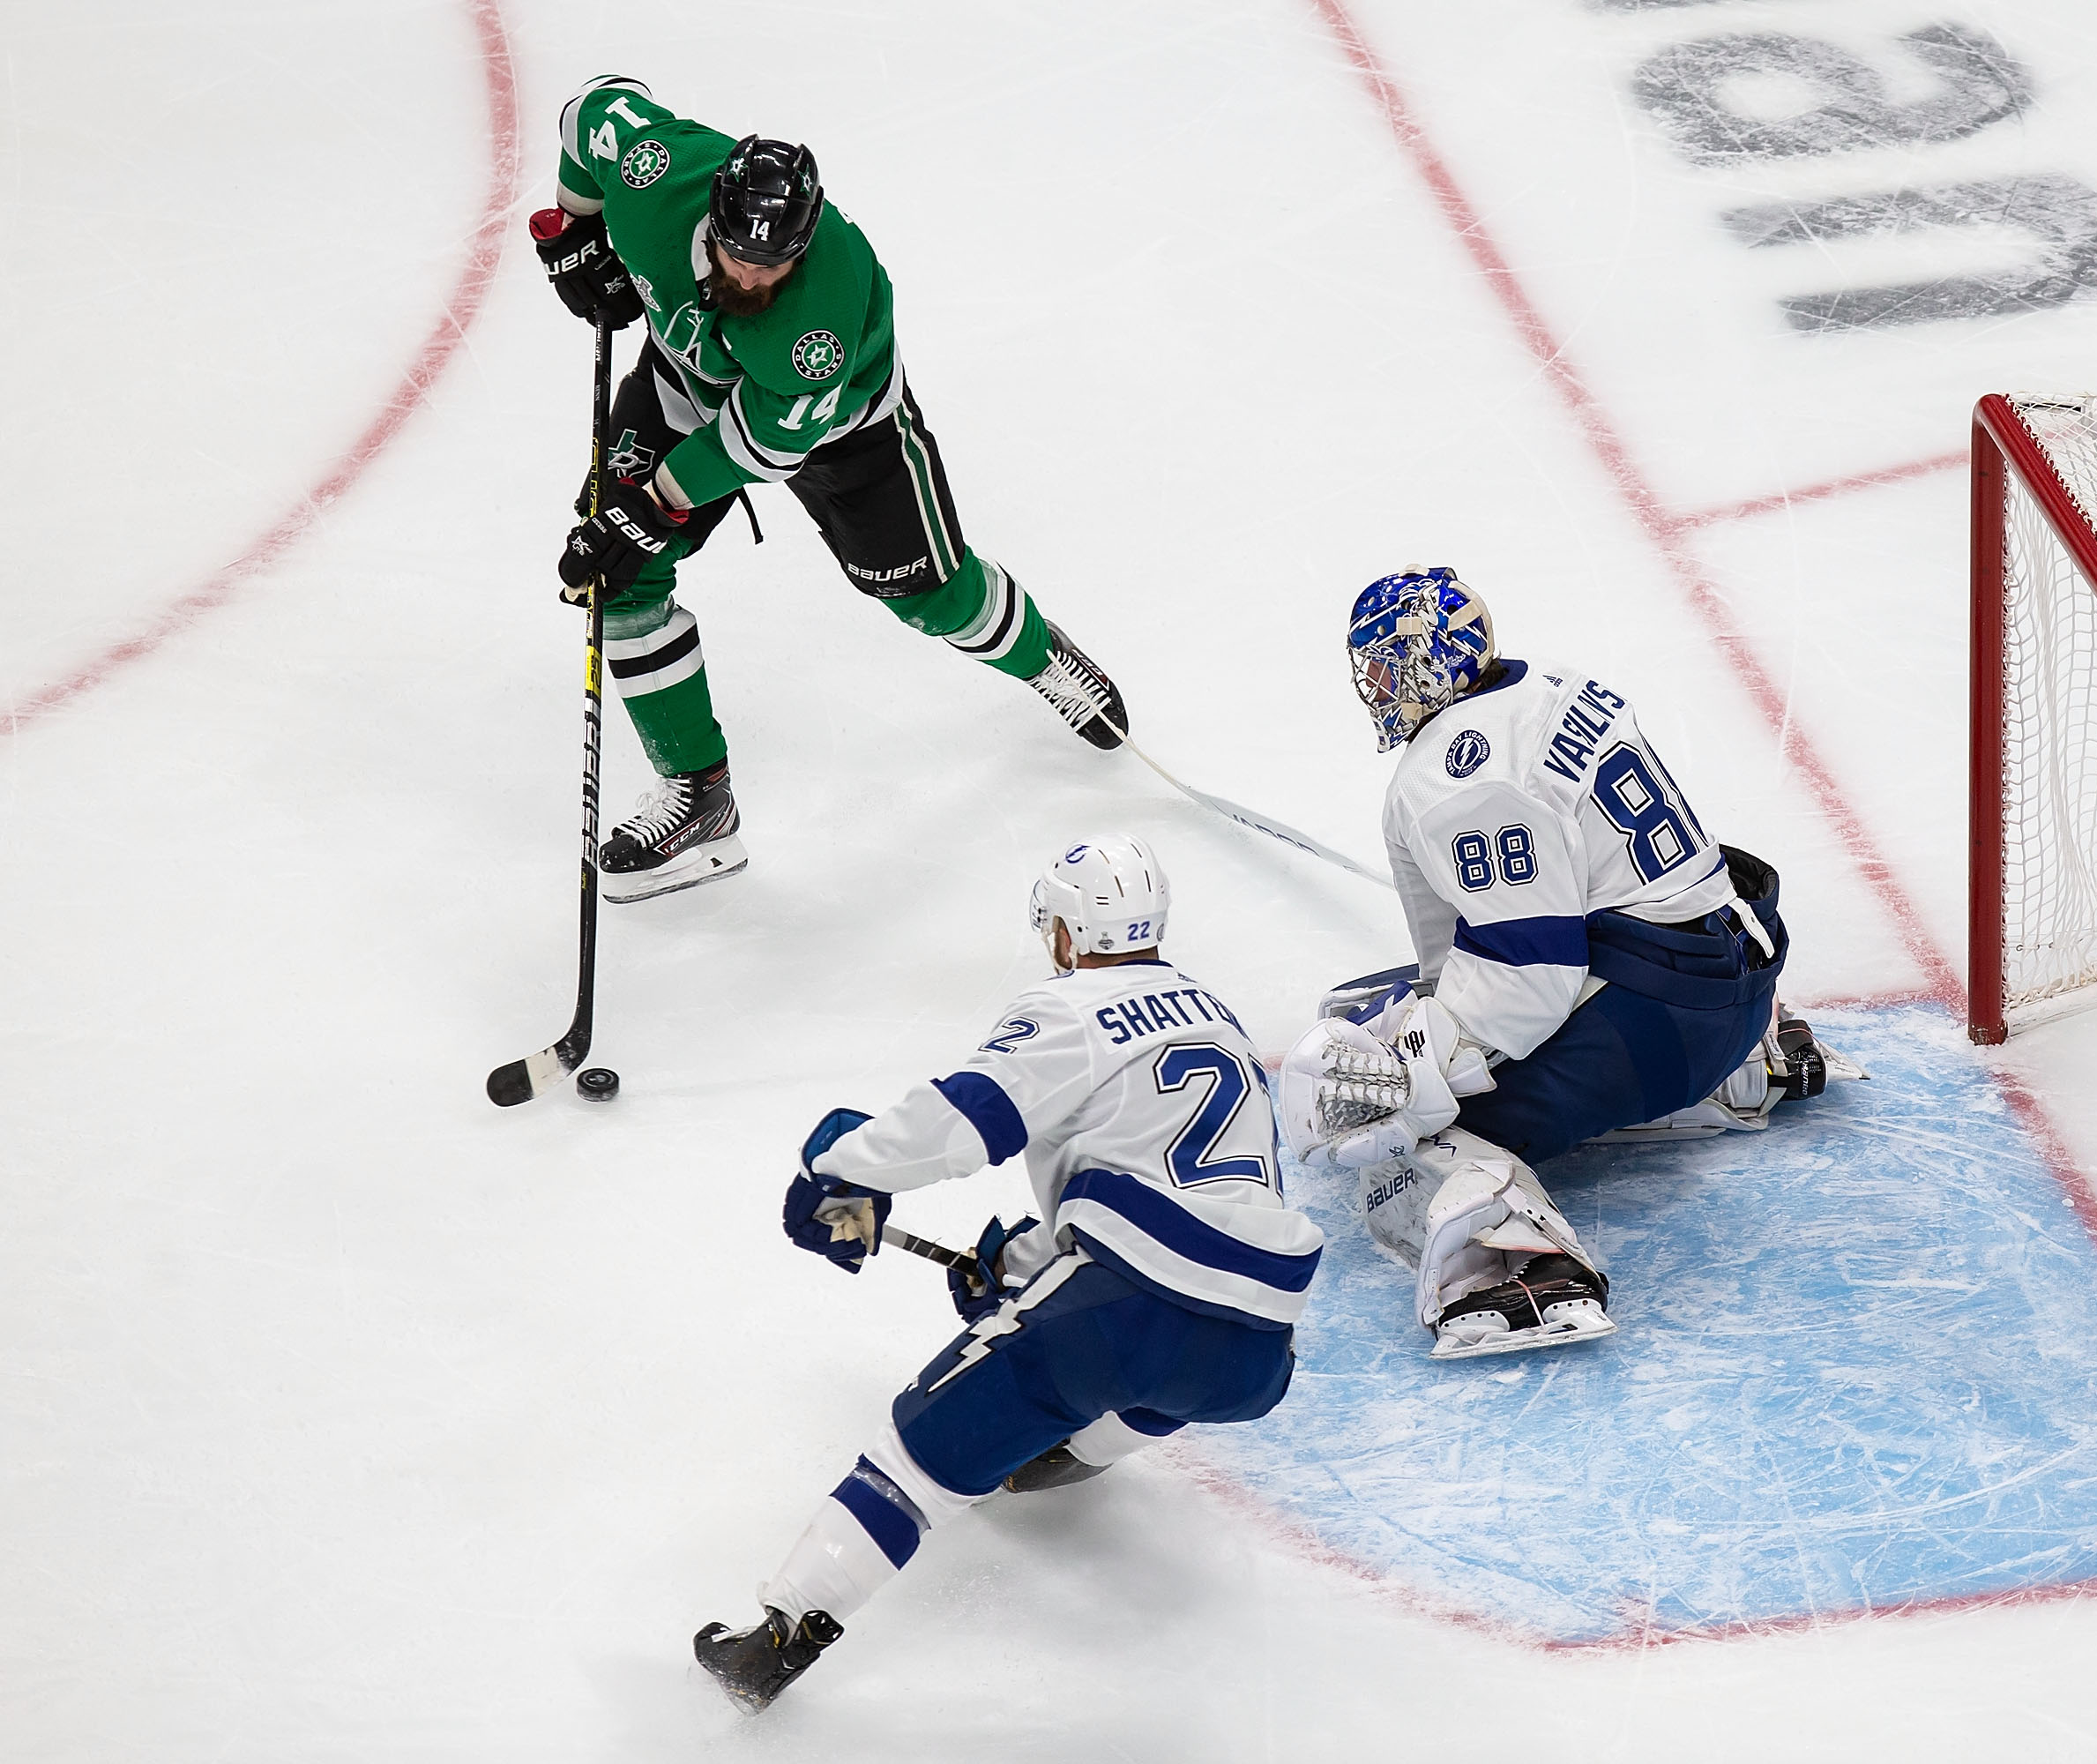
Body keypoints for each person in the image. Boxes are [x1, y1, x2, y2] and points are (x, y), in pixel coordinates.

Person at [695, 836, 1321, 1712]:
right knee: (1162, 1362)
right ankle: (1070, 1450)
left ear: (1067, 933)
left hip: (1127, 1307)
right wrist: (1020, 1267)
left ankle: (783, 1632)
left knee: (918, 1456)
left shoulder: (1074, 1008)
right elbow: (1193, 1203)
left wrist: (843, 1169)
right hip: (1262, 1340)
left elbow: (966, 1119)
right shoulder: (1217, 1013)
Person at [531, 78, 1131, 901]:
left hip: (845, 434)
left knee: (932, 596)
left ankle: (1042, 660)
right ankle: (702, 803)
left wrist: (640, 508)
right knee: (621, 578)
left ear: (804, 244)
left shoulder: (814, 324)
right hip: (685, 385)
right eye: (740, 250)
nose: (751, 272)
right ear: (712, 207)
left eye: (773, 261)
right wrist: (577, 229)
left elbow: (755, 447)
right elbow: (590, 108)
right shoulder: (653, 168)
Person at [1280, 567, 1853, 1360]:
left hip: (1654, 1029)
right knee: (1411, 1019)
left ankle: (1514, 1265)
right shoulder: (1555, 685)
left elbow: (1528, 976)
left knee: (1406, 1121)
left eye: (1385, 663)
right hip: (1738, 979)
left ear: (1427, 660)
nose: (1374, 685)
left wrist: (1416, 1069)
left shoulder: (1456, 775)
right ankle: (1748, 1065)